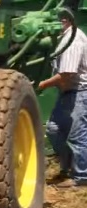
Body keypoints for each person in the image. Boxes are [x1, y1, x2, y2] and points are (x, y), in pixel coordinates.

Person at [40, 8, 87, 188]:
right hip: (68, 93)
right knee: (53, 129)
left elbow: (67, 74)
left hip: (79, 92)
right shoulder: (65, 38)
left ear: (65, 20)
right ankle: (67, 167)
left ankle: (81, 176)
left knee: (77, 135)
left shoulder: (72, 39)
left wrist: (42, 84)